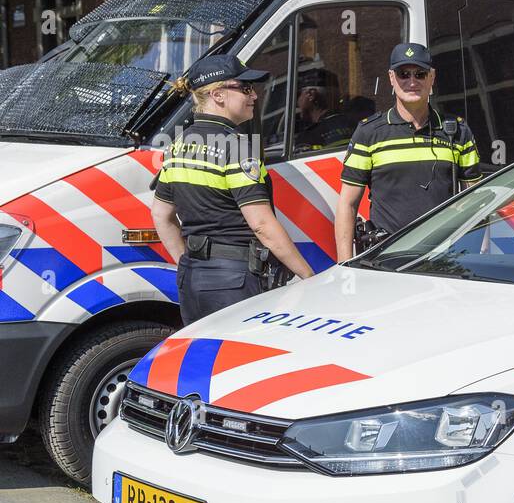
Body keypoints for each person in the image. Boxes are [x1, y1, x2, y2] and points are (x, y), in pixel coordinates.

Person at [151, 54, 315, 326]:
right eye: (245, 88)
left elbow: (161, 215)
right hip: (236, 281)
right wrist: (308, 276)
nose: (254, 96)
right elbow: (262, 225)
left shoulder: (178, 144)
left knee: (205, 361)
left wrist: (188, 264)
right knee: (242, 364)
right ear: (218, 95)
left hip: (193, 278)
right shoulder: (237, 146)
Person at [334, 43, 481, 260]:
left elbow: (477, 202)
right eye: (404, 74)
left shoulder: (458, 131)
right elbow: (347, 204)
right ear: (391, 78)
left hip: (445, 260)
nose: (412, 82)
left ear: (432, 77)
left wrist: (476, 257)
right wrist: (344, 265)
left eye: (420, 74)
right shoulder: (369, 133)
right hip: (385, 259)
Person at [294, 68, 352, 152]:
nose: (297, 103)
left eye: (298, 95)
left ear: (311, 95)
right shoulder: (356, 124)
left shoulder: (308, 138)